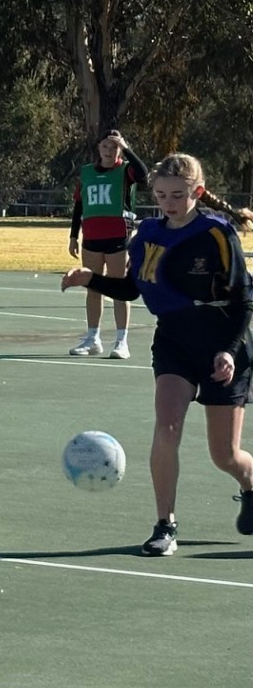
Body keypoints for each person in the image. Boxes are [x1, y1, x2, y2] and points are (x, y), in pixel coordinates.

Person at [63, 153, 253, 556]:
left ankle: (250, 484)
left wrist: (229, 350)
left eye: (178, 195)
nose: (169, 203)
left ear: (197, 193)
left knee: (225, 456)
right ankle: (165, 525)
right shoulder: (147, 234)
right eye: (162, 194)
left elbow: (243, 301)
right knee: (167, 427)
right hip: (174, 344)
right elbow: (133, 288)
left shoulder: (218, 235)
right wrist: (90, 279)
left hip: (223, 346)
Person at [67, 129, 150, 358]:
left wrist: (127, 147)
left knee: (119, 289)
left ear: (119, 149)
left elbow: (143, 175)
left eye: (114, 147)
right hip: (91, 237)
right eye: (105, 146)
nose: (109, 150)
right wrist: (73, 236)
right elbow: (79, 206)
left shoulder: (126, 171)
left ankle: (121, 341)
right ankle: (92, 338)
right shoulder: (86, 173)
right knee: (93, 288)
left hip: (117, 237)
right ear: (98, 148)